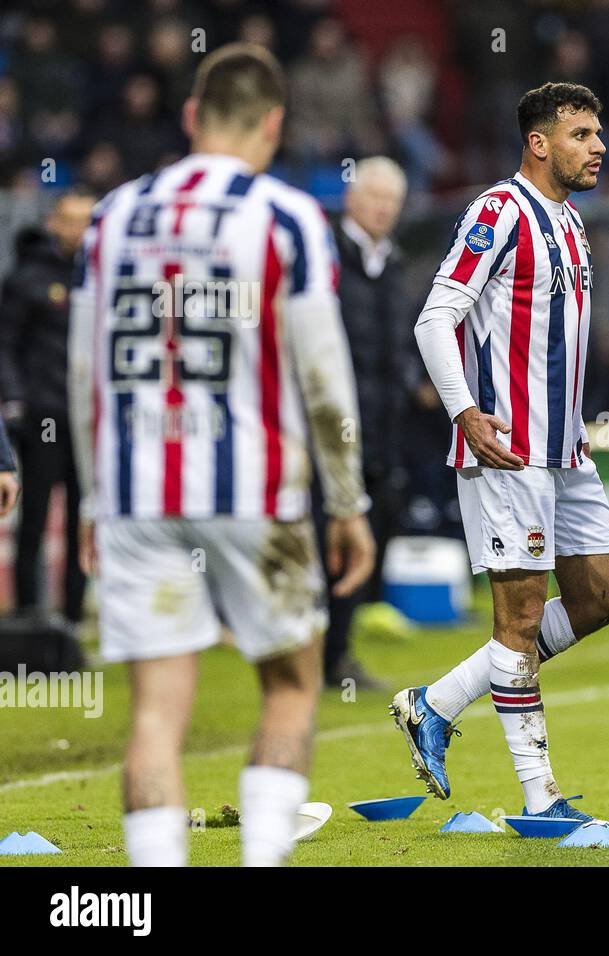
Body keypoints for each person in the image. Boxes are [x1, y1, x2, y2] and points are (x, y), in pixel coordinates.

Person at [68, 43, 374, 867]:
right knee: (289, 685)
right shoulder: (286, 217)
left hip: (137, 490)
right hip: (254, 490)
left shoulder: (112, 216)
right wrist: (348, 502)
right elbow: (323, 376)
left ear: (191, 116)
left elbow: (83, 370)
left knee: (156, 716)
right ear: (274, 125)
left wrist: (96, 497)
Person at [392, 82, 609, 822]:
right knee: (518, 623)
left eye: (597, 133)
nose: (598, 147)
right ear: (540, 142)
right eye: (582, 134)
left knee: (599, 600)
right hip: (509, 451)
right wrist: (465, 412)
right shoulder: (499, 212)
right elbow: (436, 320)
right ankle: (540, 797)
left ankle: (434, 702)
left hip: (567, 448)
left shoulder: (573, 223)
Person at [317, 155, 416, 690]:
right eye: (374, 196)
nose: (382, 208)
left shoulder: (394, 264)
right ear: (352, 198)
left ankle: (337, 653)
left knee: (364, 539)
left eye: (392, 201)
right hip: (330, 424)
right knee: (322, 536)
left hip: (381, 425)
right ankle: (309, 652)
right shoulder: (325, 255)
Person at [0, 188, 94, 626]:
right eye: (72, 219)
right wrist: (16, 399)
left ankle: (72, 622)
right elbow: (5, 346)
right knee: (33, 518)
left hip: (87, 418)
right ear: (54, 222)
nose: (80, 229)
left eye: (88, 220)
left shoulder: (101, 276)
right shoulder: (28, 278)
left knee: (83, 518)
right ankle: (25, 619)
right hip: (43, 416)